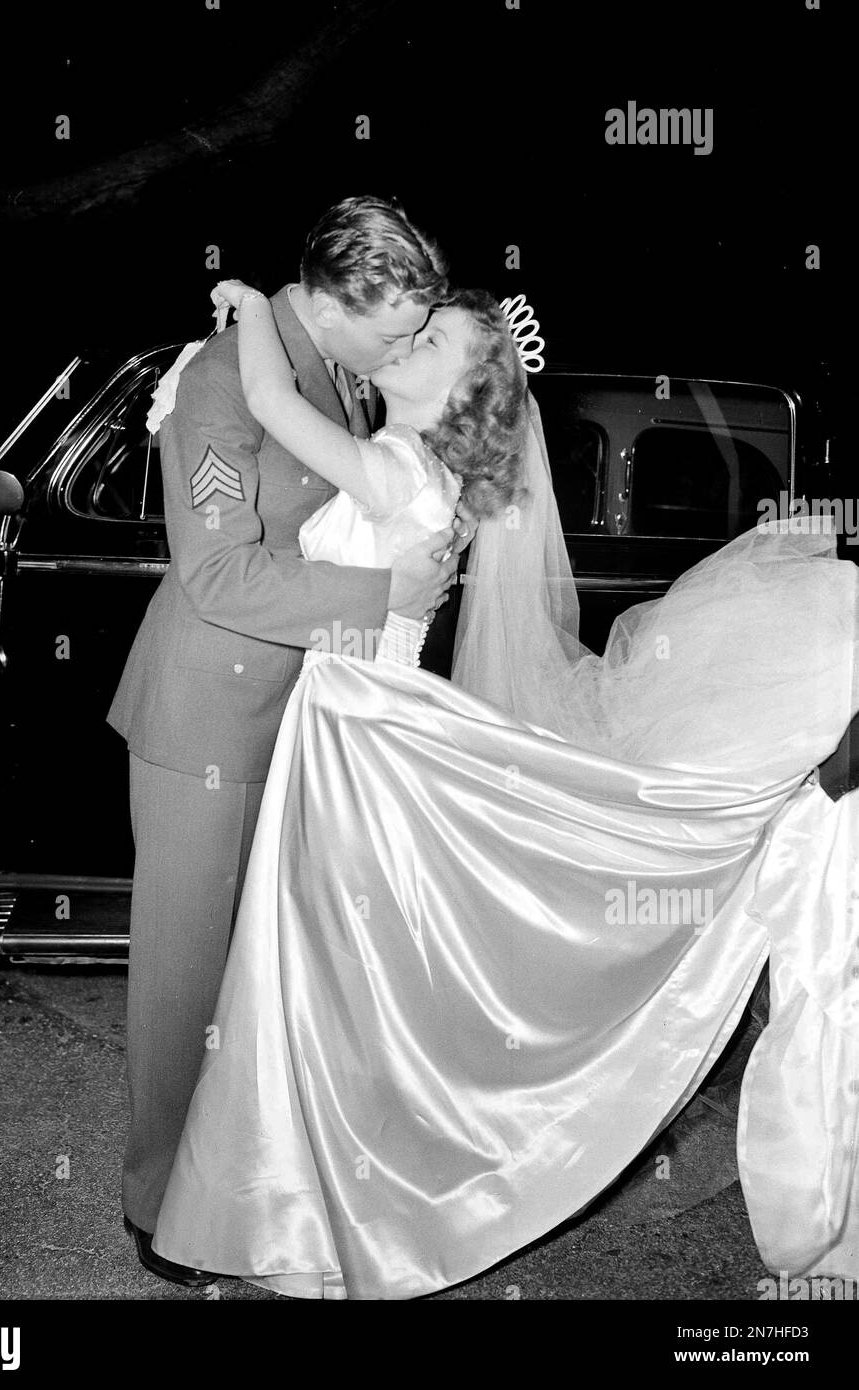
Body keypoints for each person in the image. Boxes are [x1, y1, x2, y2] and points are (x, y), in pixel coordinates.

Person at [152, 278, 859, 1299]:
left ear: (463, 390)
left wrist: (255, 310)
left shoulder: (403, 468)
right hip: (355, 728)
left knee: (320, 977)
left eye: (432, 336)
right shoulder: (401, 458)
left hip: (361, 735)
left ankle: (316, 1215)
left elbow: (266, 403)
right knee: (324, 979)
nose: (409, 334)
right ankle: (296, 1209)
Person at [106, 196, 471, 1285]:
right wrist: (384, 589)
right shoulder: (220, 380)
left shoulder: (342, 368)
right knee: (183, 974)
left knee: (260, 967)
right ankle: (155, 1202)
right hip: (205, 715)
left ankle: (239, 1178)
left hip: (303, 708)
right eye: (396, 328)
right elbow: (215, 572)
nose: (407, 347)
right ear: (330, 302)